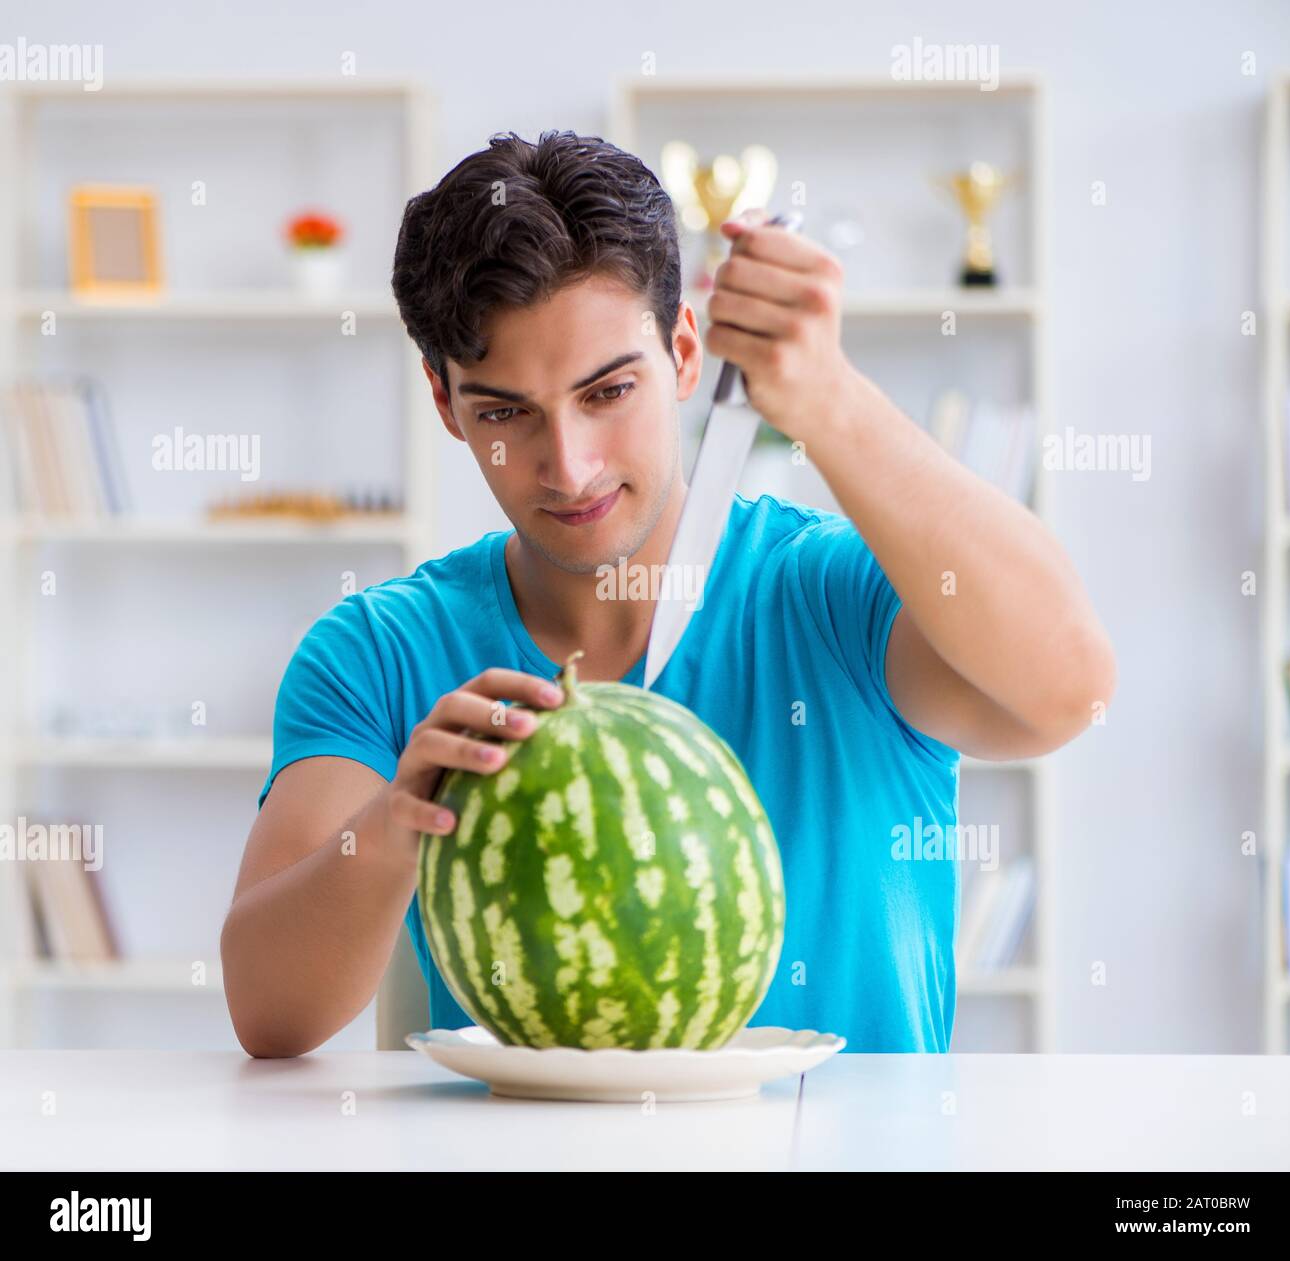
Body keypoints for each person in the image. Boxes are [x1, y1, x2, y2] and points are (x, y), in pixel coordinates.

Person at [221, 129, 1115, 1057]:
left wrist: (828, 399)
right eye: (504, 412)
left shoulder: (838, 597)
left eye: (606, 393)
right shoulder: (381, 651)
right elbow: (269, 1012)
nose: (568, 466)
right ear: (446, 405)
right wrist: (397, 822)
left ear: (685, 352)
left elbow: (1068, 692)